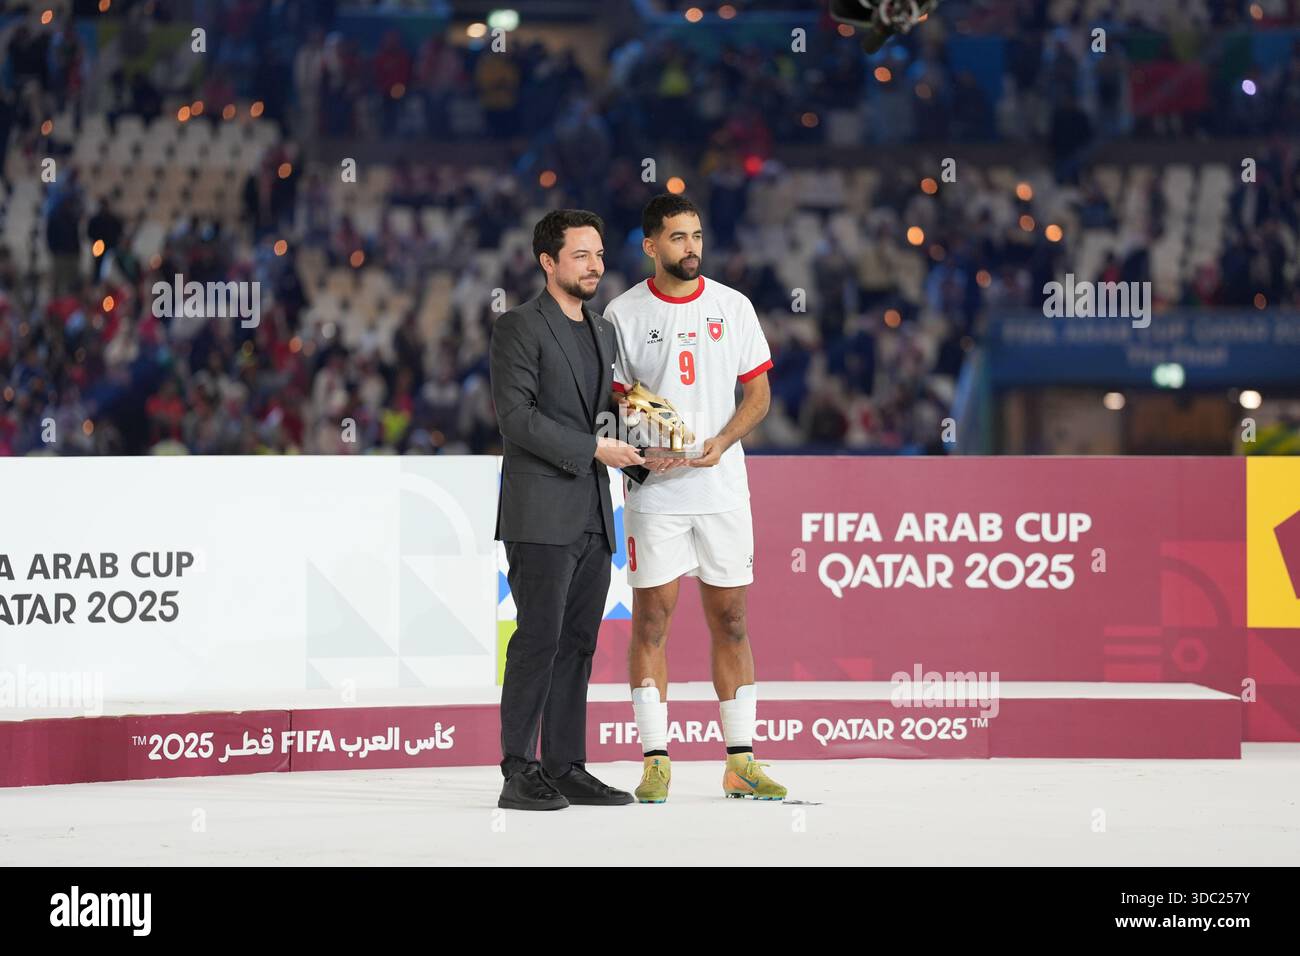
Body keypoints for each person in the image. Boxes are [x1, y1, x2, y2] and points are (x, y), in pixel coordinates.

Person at [603, 193, 787, 803]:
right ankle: (656, 758)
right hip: (655, 491)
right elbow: (615, 399)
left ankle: (741, 763)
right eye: (678, 238)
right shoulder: (622, 314)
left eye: (698, 236)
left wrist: (721, 440)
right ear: (651, 245)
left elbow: (757, 396)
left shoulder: (733, 307)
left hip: (721, 485)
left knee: (731, 620)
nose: (692, 248)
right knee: (652, 620)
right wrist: (641, 437)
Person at [489, 209, 644, 810]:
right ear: (547, 262)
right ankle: (516, 771)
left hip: (593, 513)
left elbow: (604, 415)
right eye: (581, 255)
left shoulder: (604, 331)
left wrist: (643, 450)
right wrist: (595, 448)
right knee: (538, 638)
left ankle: (565, 765)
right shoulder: (519, 327)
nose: (595, 266)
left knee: (579, 641)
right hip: (540, 511)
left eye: (599, 255)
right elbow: (517, 418)